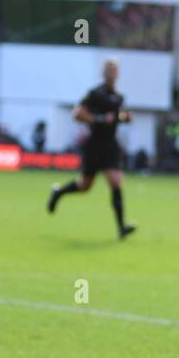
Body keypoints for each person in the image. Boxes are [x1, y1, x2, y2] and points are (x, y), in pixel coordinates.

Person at [46, 59, 136, 239]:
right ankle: (58, 192)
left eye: (114, 70)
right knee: (85, 186)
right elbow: (77, 114)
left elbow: (118, 117)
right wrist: (100, 119)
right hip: (94, 144)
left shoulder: (119, 97)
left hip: (110, 145)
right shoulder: (95, 94)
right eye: (108, 70)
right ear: (103, 73)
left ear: (118, 74)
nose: (111, 73)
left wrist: (124, 117)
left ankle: (121, 228)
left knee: (115, 181)